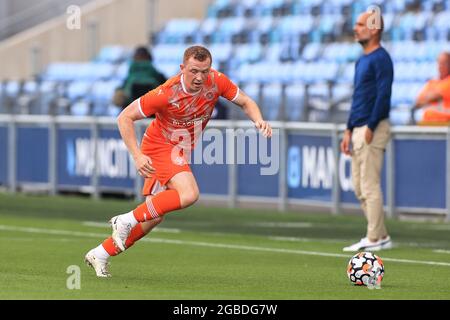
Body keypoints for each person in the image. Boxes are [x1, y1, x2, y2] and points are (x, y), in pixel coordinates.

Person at [85, 45, 272, 277]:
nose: (199, 77)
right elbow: (125, 117)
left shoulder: (217, 81)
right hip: (160, 147)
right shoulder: (166, 93)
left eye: (204, 71)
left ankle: (100, 253)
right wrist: (138, 155)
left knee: (153, 217)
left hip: (178, 150)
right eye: (194, 71)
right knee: (189, 194)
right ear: (182, 68)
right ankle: (125, 220)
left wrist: (259, 120)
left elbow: (245, 101)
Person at [340, 11, 393, 252]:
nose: (356, 28)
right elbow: (358, 97)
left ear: (374, 29)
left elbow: (383, 96)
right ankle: (380, 235)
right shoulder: (363, 59)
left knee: (370, 186)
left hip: (373, 127)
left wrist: (371, 125)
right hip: (359, 127)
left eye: (360, 24)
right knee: (359, 187)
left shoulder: (381, 59)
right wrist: (349, 129)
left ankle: (374, 238)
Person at [413, 52, 450, 124]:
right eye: (439, 63)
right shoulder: (432, 82)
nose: (441, 66)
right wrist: (430, 97)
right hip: (427, 123)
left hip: (445, 125)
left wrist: (429, 96)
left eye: (444, 63)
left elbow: (437, 96)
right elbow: (418, 101)